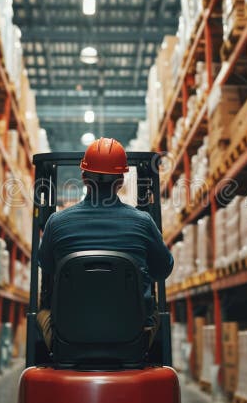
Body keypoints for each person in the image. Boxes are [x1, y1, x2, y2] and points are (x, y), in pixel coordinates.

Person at [36, 137, 174, 350]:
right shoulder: (143, 222)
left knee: (43, 309)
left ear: (83, 177)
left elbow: (48, 268)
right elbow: (163, 269)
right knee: (156, 311)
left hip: (68, 335)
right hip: (133, 336)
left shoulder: (56, 222)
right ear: (121, 181)